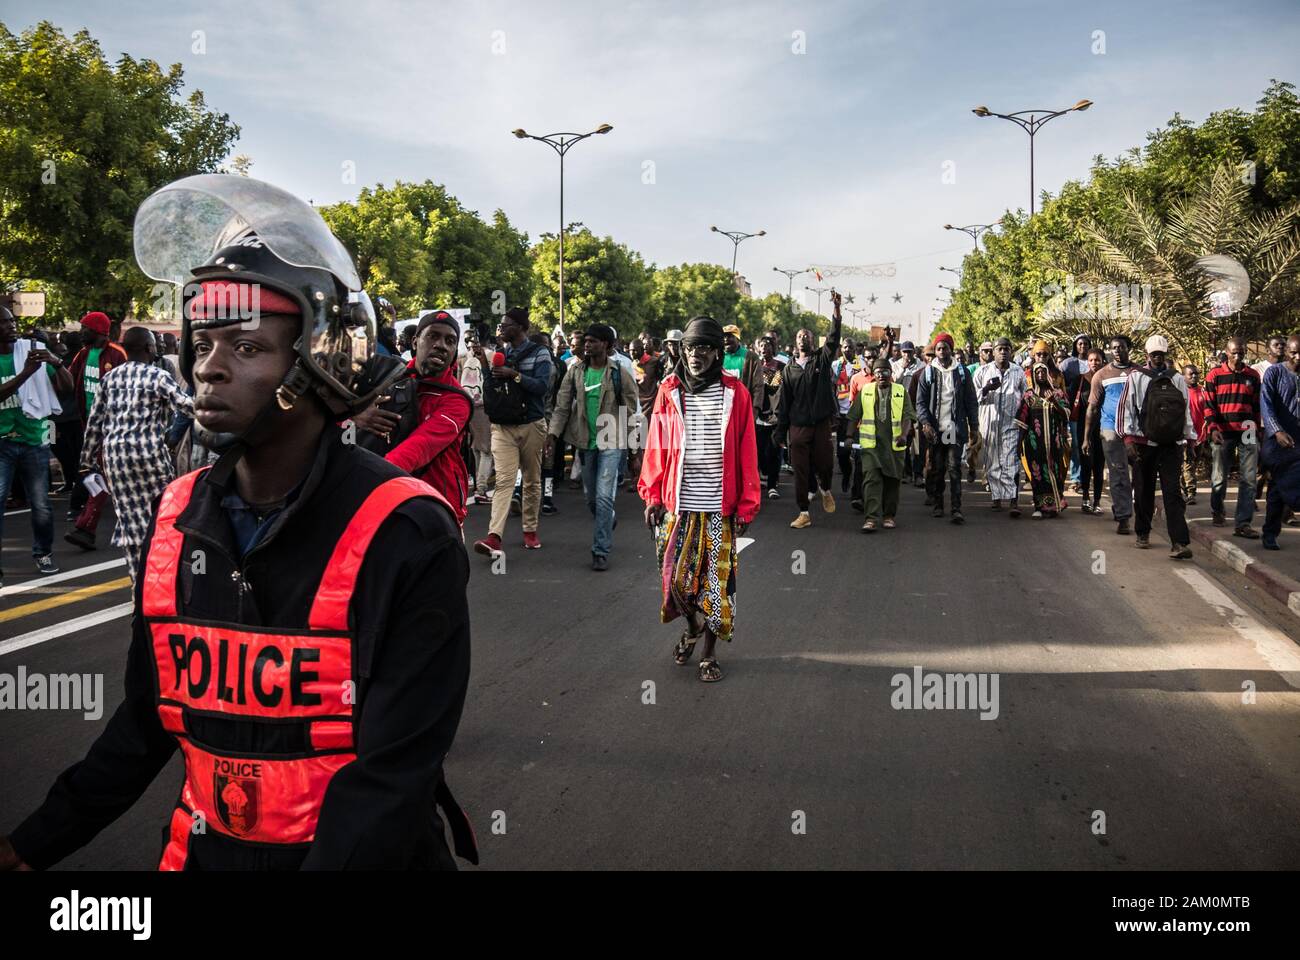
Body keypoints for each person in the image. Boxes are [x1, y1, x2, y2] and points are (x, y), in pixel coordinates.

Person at [1, 173, 475, 871]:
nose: (209, 371)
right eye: (204, 344)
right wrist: (30, 845)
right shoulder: (176, 515)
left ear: (320, 362)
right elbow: (143, 724)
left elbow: (391, 781)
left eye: (247, 348)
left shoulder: (408, 533)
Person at [638, 316, 761, 684]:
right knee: (675, 582)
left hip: (719, 507)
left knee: (715, 585)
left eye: (704, 348)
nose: (695, 355)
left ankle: (709, 653)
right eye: (690, 347)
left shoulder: (735, 393)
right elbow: (657, 445)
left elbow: (747, 450)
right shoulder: (669, 389)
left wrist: (747, 503)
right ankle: (690, 625)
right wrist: (653, 493)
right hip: (678, 504)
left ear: (717, 353)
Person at [77, 326, 194, 582]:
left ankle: (137, 586)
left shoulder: (110, 379)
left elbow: (94, 424)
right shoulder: (157, 376)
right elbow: (187, 407)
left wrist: (86, 462)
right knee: (161, 517)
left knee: (130, 520)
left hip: (116, 458)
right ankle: (161, 580)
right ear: (148, 348)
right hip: (150, 455)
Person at [357, 310, 473, 525]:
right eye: (433, 336)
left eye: (450, 341)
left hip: (434, 506)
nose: (441, 345)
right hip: (385, 501)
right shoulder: (386, 377)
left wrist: (367, 482)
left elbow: (419, 447)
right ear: (415, 341)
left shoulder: (458, 401)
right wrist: (357, 414)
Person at [546, 323, 641, 570]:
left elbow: (631, 413)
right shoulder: (575, 371)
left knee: (603, 496)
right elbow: (562, 406)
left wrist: (634, 452)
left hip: (612, 440)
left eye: (593, 341)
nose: (587, 344)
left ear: (607, 345)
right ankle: (607, 519)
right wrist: (552, 435)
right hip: (585, 441)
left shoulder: (620, 372)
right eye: (586, 340)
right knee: (591, 498)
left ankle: (600, 550)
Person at [0, 307, 73, 583]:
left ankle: (43, 553)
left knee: (41, 504)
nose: (11, 325)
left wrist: (56, 362)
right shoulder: (25, 363)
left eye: (12, 320)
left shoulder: (33, 350)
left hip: (35, 438)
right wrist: (26, 373)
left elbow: (65, 389)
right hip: (2, 442)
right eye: (4, 322)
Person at [474, 305, 553, 558]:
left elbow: (542, 387)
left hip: (531, 424)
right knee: (505, 481)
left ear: (519, 327)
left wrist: (515, 375)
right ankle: (494, 537)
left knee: (531, 479)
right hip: (503, 426)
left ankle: (530, 530)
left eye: (506, 324)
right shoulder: (500, 352)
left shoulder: (540, 353)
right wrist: (485, 365)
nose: (501, 328)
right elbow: (493, 387)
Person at [1115, 334, 1195, 558]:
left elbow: (1185, 409)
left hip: (1172, 443)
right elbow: (1126, 408)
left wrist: (1190, 438)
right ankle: (1143, 532)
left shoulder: (1177, 378)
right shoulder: (1136, 377)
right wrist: (1128, 439)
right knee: (1143, 490)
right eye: (1154, 355)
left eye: (1161, 355)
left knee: (1173, 493)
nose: (1158, 359)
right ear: (1147, 355)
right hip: (1143, 442)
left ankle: (1179, 542)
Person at [776, 291, 844, 528]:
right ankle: (803, 512)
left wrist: (836, 310)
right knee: (800, 470)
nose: (803, 337)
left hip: (821, 424)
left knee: (825, 463)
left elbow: (834, 338)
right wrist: (779, 432)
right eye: (799, 335)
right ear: (796, 342)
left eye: (807, 335)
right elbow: (784, 402)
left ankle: (825, 488)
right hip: (797, 426)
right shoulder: (788, 370)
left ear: (814, 341)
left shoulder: (822, 360)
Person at [64, 311, 128, 550]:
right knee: (99, 474)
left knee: (103, 475)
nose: (81, 333)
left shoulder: (117, 354)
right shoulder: (83, 354)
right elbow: (69, 381)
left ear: (98, 331)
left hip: (113, 427)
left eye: (85, 328)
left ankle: (86, 527)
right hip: (90, 426)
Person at [915, 333, 979, 524]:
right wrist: (925, 423)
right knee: (937, 468)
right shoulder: (928, 372)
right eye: (939, 349)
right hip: (935, 429)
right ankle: (938, 505)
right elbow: (920, 402)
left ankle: (956, 509)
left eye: (946, 348)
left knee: (954, 468)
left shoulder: (961, 372)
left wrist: (973, 426)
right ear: (935, 351)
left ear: (951, 349)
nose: (942, 352)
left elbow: (970, 401)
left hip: (953, 427)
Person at [1203, 336, 1261, 538]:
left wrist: (1257, 432)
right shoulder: (1214, 375)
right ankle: (1217, 510)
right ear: (1226, 352)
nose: (1238, 356)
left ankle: (1243, 523)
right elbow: (1209, 406)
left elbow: (1255, 406)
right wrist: (1212, 428)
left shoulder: (1252, 375)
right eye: (1234, 352)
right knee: (1219, 476)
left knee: (1249, 477)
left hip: (1246, 429)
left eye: (1242, 352)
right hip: (1222, 430)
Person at [848, 358, 914, 532]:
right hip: (871, 446)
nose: (881, 375)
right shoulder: (866, 391)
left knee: (892, 481)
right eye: (878, 372)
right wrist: (848, 436)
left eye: (885, 372)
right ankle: (871, 518)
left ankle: (889, 516)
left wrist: (904, 434)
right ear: (874, 375)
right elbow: (854, 415)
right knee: (871, 480)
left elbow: (908, 416)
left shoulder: (901, 391)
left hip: (894, 446)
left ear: (891, 374)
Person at [1084, 335, 1137, 535]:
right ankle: (1123, 517)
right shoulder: (1102, 375)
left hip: (1135, 430)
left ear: (1128, 348)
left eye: (1121, 347)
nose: (1117, 351)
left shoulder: (1139, 372)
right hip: (1110, 429)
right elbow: (1092, 408)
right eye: (1114, 348)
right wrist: (1086, 437)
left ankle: (1131, 508)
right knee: (1118, 472)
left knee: (1139, 472)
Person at [973, 337, 1026, 516]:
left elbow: (1026, 397)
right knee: (993, 463)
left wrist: (1022, 420)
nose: (1003, 352)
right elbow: (973, 398)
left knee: (1011, 462)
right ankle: (996, 498)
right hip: (990, 424)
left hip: (1011, 424)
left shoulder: (1018, 372)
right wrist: (987, 388)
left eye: (1006, 349)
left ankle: (1013, 502)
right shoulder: (982, 372)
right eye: (999, 349)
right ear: (993, 352)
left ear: (1011, 352)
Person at [1015, 361, 1072, 518]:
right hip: (1035, 443)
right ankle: (1040, 506)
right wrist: (1019, 442)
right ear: (1033, 376)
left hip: (1055, 442)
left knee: (1056, 472)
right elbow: (1022, 421)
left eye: (1042, 372)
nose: (1040, 375)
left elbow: (1066, 414)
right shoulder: (1029, 396)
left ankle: (1055, 504)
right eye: (1037, 372)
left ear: (1048, 374)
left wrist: (1054, 402)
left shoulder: (1058, 393)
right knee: (1037, 473)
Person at [1259, 334, 1300, 549]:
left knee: (1286, 489)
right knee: (1277, 489)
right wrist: (1277, 431)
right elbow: (1266, 404)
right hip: (1280, 444)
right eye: (1294, 352)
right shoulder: (1274, 372)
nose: (1298, 357)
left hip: (1299, 443)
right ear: (1286, 352)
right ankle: (1270, 533)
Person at [457, 327, 494, 501]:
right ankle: (481, 489)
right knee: (486, 449)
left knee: (477, 447)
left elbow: (458, 383)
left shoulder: (465, 358)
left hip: (468, 405)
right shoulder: (491, 356)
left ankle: (479, 486)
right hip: (484, 406)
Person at [832, 337, 867, 495]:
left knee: (859, 453)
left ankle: (857, 491)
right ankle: (847, 474)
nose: (847, 350)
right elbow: (832, 388)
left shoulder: (863, 364)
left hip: (859, 416)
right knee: (842, 453)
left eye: (850, 347)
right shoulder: (836, 365)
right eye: (845, 347)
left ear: (855, 349)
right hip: (842, 416)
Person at [1076, 348, 1108, 514]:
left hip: (1103, 428)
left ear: (1103, 360)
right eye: (1091, 360)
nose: (1094, 363)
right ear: (1087, 362)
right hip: (1084, 429)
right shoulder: (1081, 379)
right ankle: (1085, 498)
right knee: (1086, 464)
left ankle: (1097, 501)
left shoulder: (1107, 379)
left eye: (1097, 360)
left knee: (1099, 465)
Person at [754, 335, 785, 499]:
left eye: (767, 345)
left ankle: (772, 485)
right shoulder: (755, 365)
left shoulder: (781, 367)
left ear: (773, 348)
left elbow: (781, 389)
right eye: (761, 345)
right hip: (758, 415)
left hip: (775, 416)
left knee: (773, 452)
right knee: (759, 452)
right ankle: (762, 477)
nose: (764, 348)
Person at [1061, 334, 1093, 490]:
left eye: (1086, 344)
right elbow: (1059, 382)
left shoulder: (1095, 361)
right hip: (1074, 409)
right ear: (1075, 345)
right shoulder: (1068, 364)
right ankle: (1075, 478)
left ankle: (1087, 476)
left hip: (1092, 410)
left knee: (1089, 443)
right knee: (1075, 444)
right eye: (1080, 343)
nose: (1083, 346)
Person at [1181, 363, 1212, 506]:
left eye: (1196, 373)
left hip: (1201, 435)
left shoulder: (1203, 391)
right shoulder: (1179, 391)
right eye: (1190, 374)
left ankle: (1185, 489)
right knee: (1187, 464)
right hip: (1186, 435)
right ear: (1183, 376)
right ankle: (1190, 493)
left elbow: (1208, 411)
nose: (1194, 376)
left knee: (1192, 464)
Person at [722, 323, 764, 404]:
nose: (725, 339)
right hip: (722, 407)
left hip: (743, 406)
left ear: (738, 338)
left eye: (730, 336)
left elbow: (758, 386)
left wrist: (755, 410)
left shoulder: (751, 357)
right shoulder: (717, 357)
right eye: (723, 336)